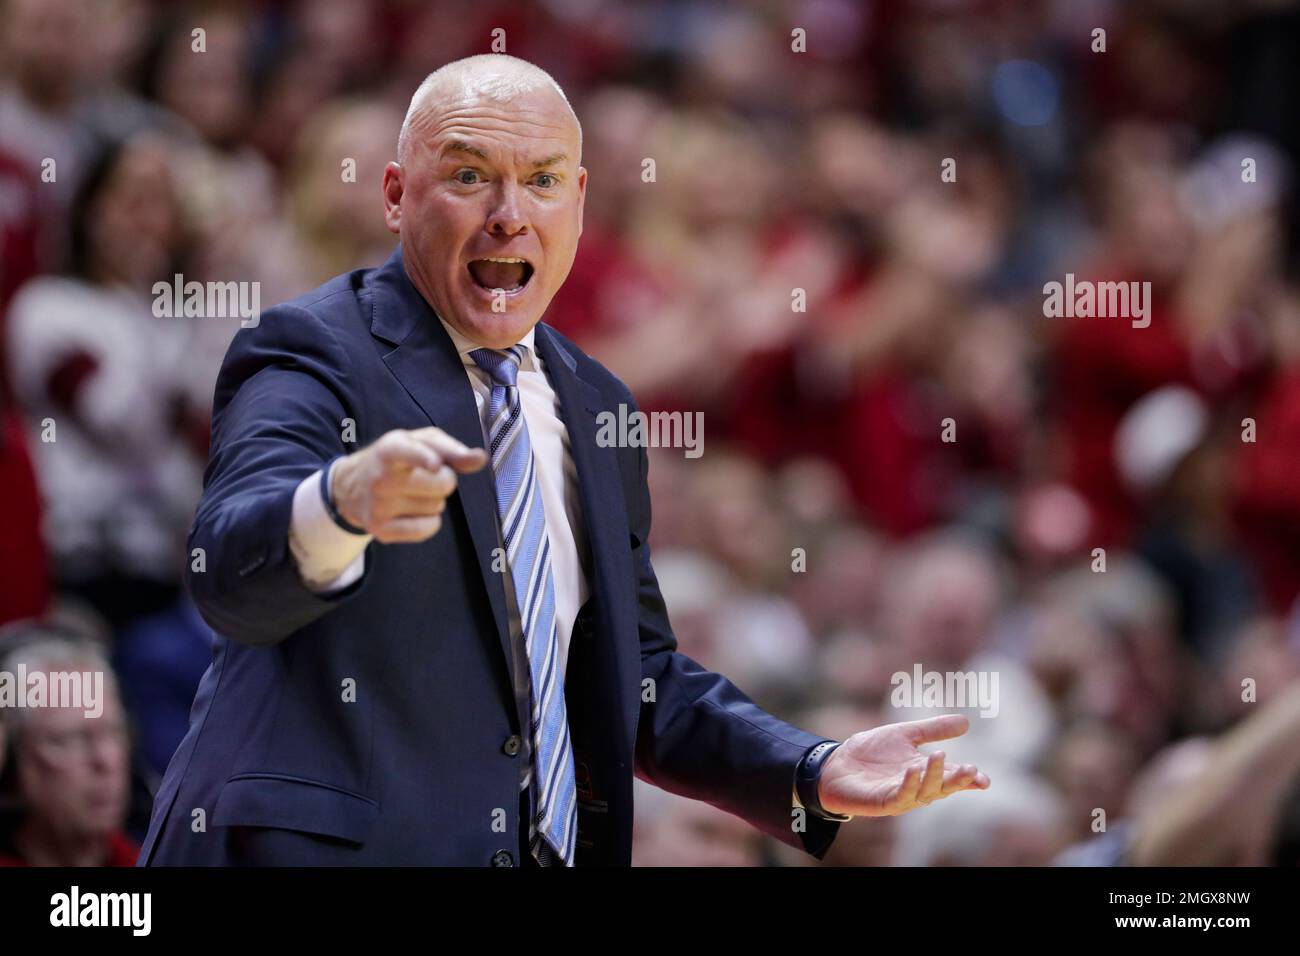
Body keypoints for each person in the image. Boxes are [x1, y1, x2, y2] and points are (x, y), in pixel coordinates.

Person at [138, 54, 989, 867]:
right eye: (470, 176)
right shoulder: (312, 350)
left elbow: (640, 675)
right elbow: (230, 571)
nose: (509, 213)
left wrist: (806, 769)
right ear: (396, 196)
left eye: (542, 181)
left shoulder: (598, 404)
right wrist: (338, 506)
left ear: (579, 202)